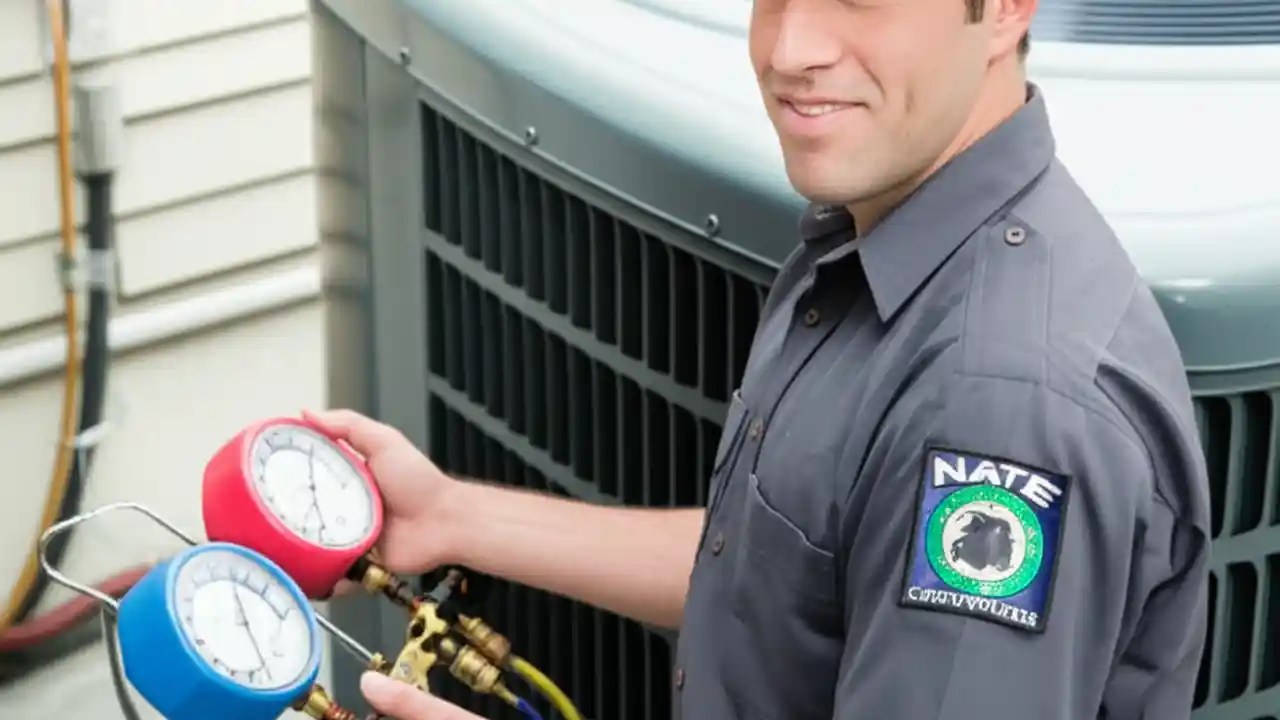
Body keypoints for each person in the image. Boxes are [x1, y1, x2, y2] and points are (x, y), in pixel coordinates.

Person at [308, 0, 1212, 717]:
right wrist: (455, 517)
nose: (789, 49)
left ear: (1007, 8)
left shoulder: (1005, 411)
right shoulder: (881, 235)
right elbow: (784, 569)